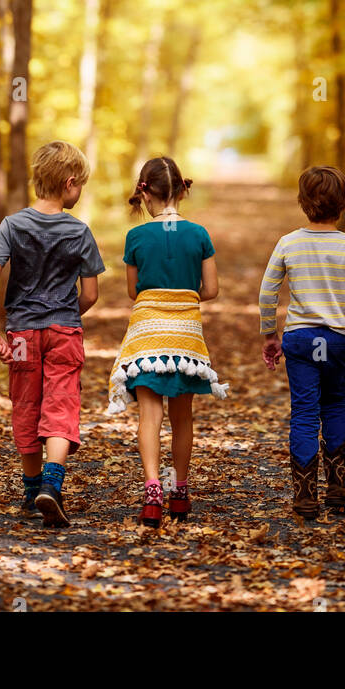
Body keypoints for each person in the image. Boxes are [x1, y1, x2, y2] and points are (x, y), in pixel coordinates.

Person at [0, 140, 105, 528]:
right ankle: (53, 483)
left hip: (21, 334)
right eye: (80, 184)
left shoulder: (12, 225)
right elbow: (91, 294)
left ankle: (32, 489)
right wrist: (69, 313)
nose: (79, 191)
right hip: (63, 331)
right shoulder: (79, 231)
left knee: (26, 404)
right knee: (61, 403)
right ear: (69, 183)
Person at [107, 156, 228, 528]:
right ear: (181, 189)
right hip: (186, 338)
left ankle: (152, 490)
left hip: (147, 336)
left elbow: (133, 291)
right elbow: (211, 290)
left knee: (149, 414)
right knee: (182, 416)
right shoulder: (199, 234)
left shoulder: (136, 237)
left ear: (144, 192)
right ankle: (180, 491)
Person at [259, 165, 345, 518]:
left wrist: (270, 333)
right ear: (344, 203)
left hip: (300, 338)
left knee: (303, 412)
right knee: (334, 403)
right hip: (338, 340)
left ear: (303, 202)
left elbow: (268, 292)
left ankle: (304, 496)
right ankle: (338, 488)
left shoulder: (288, 243)